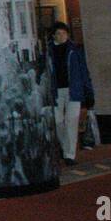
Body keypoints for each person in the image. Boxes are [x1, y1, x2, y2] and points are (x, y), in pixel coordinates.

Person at [47, 21, 94, 165]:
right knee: (58, 121)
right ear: (53, 35)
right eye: (58, 34)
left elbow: (83, 71)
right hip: (55, 92)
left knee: (71, 122)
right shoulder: (48, 51)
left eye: (64, 33)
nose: (62, 36)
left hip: (74, 90)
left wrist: (89, 91)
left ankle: (69, 155)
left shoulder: (75, 50)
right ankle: (65, 147)